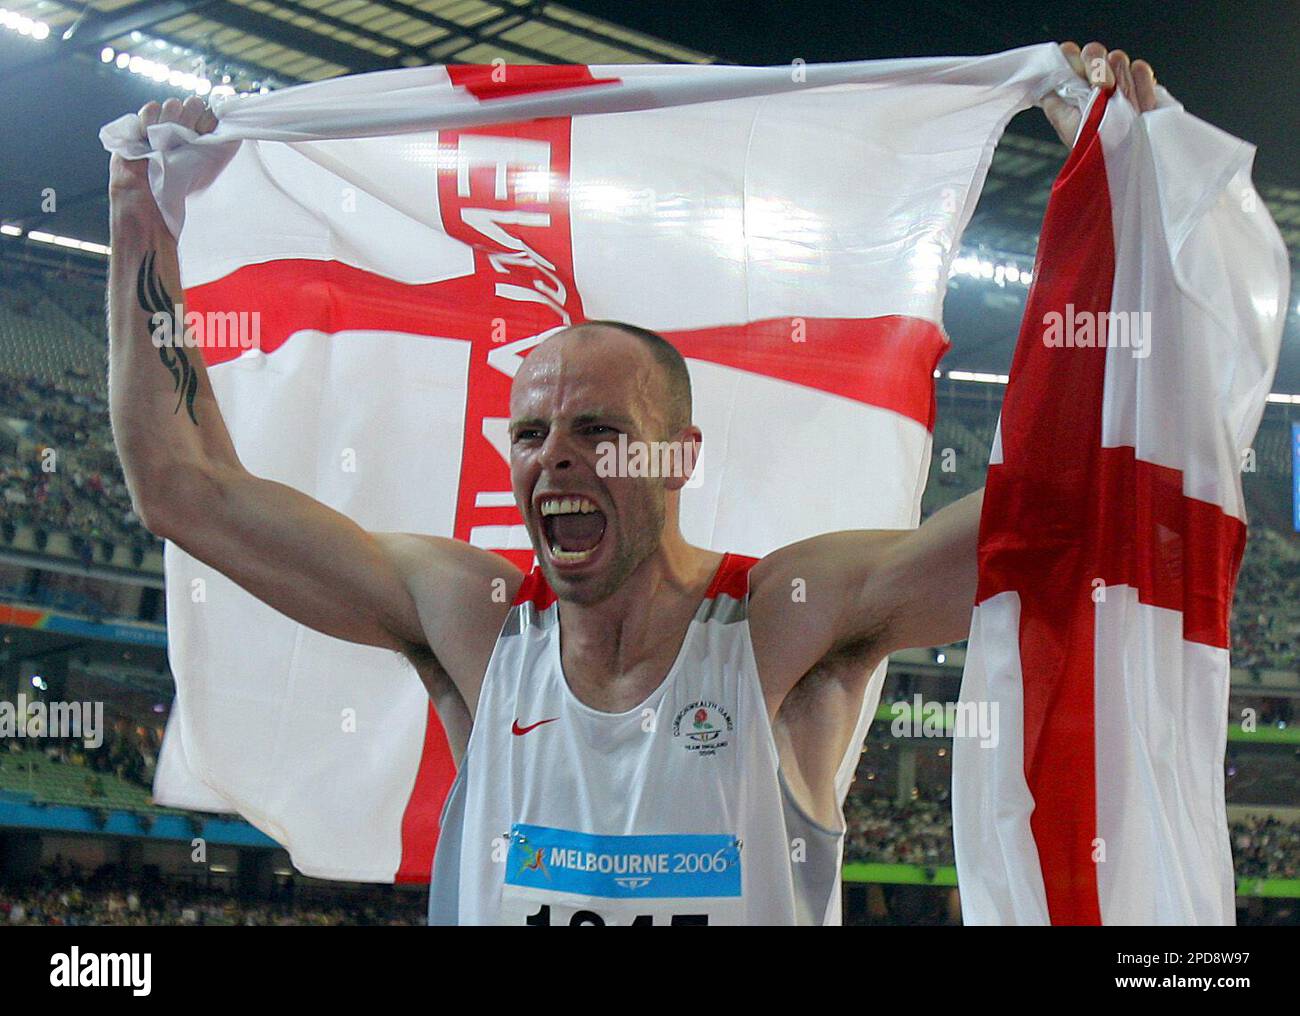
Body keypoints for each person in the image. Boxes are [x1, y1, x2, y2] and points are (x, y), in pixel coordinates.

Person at [107, 43, 1159, 924]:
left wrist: (1113, 212)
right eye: (530, 431)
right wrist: (138, 229)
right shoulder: (474, 623)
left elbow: (1064, 511)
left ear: (678, 455)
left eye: (598, 428)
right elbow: (185, 487)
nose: (553, 455)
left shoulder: (779, 622)